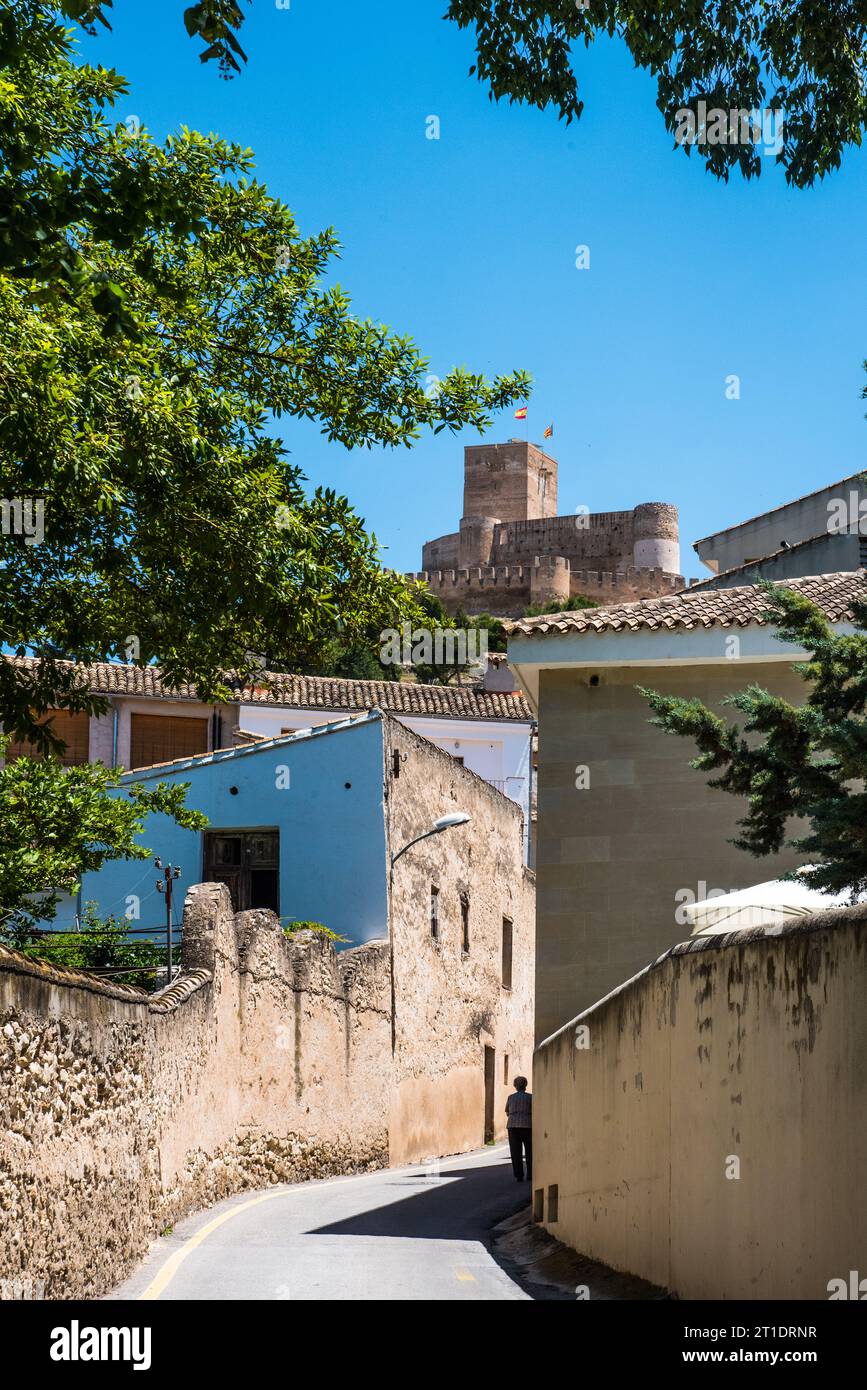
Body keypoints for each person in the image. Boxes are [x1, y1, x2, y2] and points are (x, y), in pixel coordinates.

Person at [505, 1076, 532, 1182]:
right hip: (528, 1126)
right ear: (525, 1085)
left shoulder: (510, 1097)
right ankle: (530, 1174)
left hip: (513, 1126)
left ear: (515, 1086)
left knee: (515, 1152)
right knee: (530, 1151)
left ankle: (519, 1175)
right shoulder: (530, 1097)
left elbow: (507, 1111)